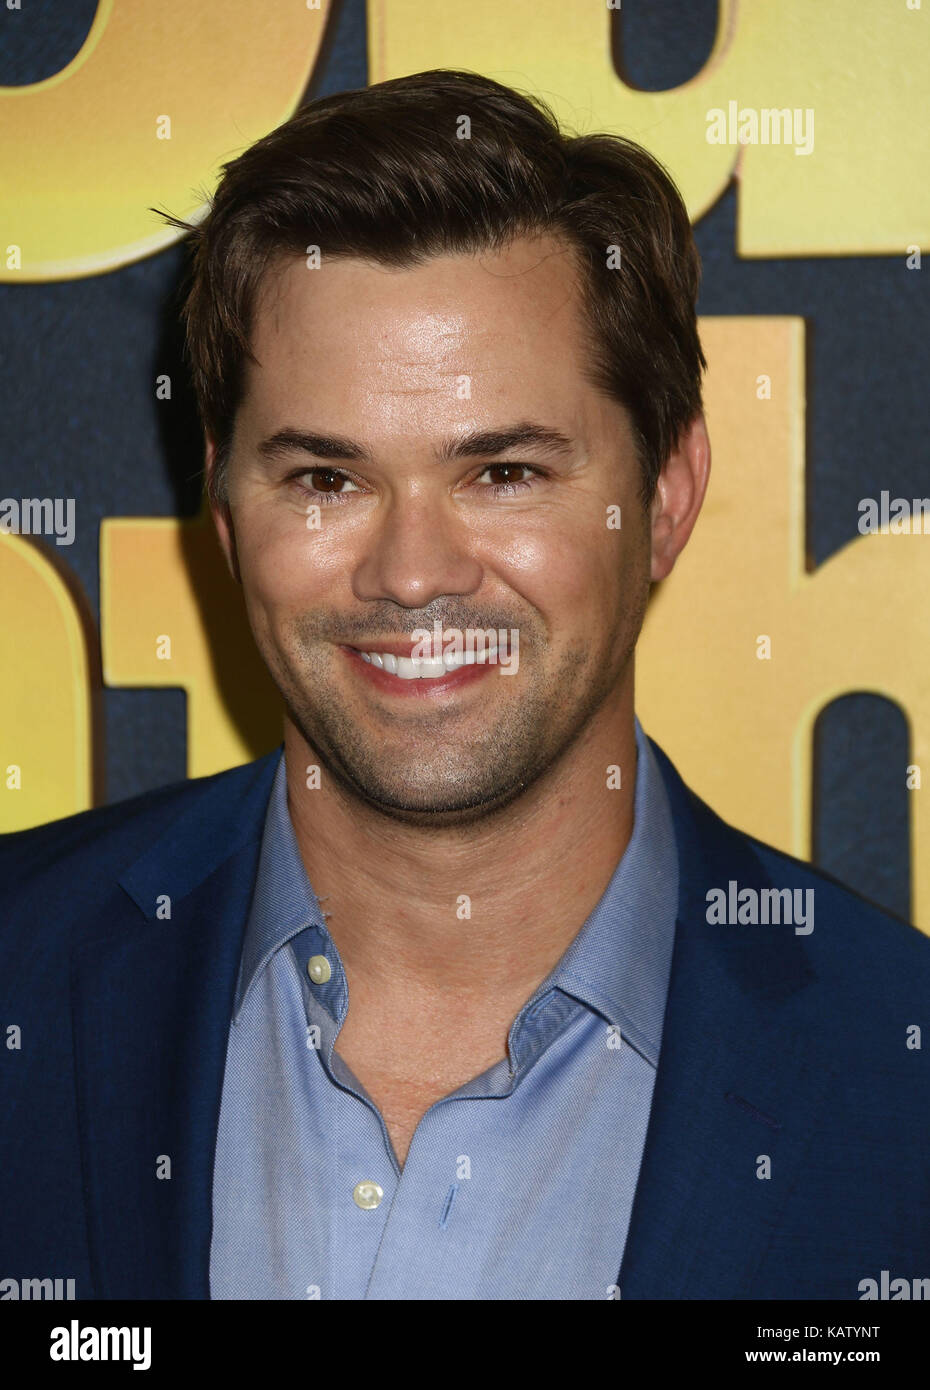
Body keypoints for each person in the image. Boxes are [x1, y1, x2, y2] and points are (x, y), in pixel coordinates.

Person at [2, 69, 928, 1302]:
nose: (412, 572)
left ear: (664, 497)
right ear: (224, 511)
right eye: (326, 479)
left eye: (503, 473)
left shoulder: (899, 1076)